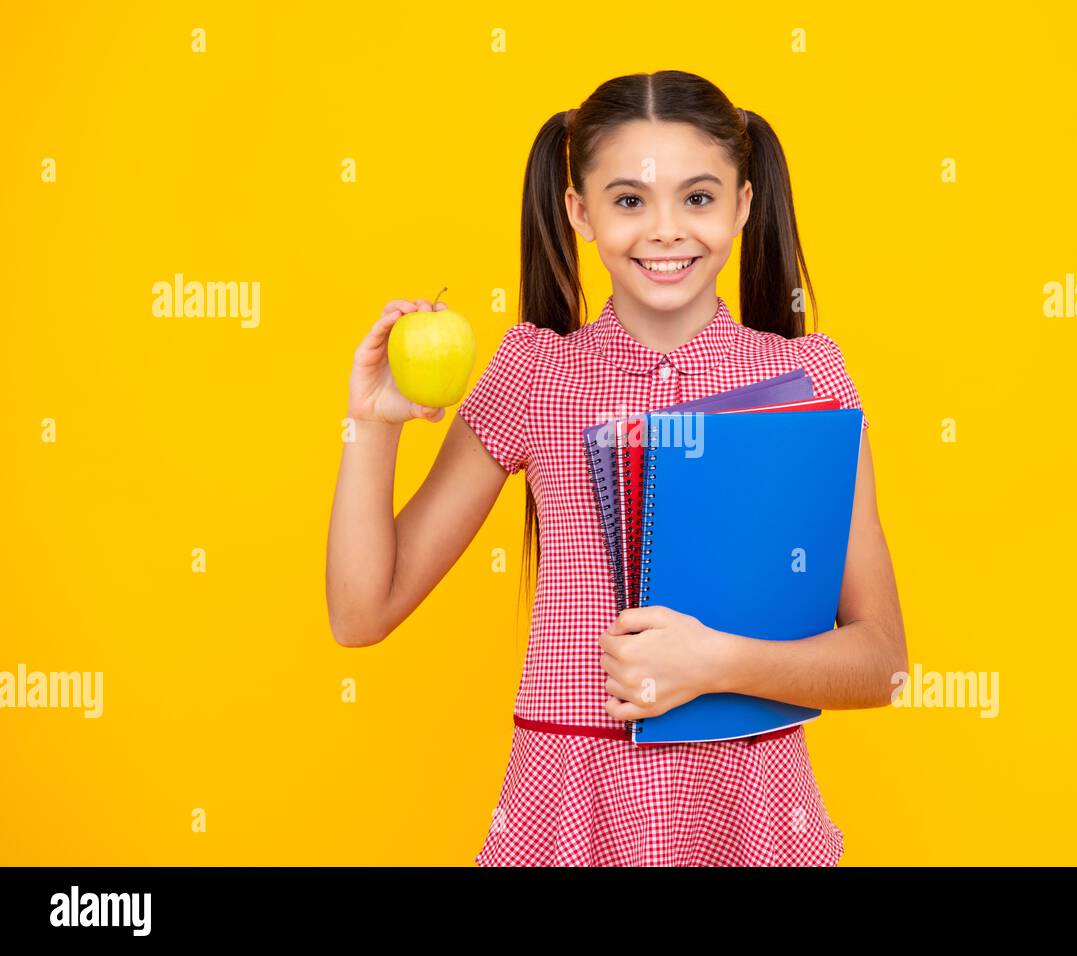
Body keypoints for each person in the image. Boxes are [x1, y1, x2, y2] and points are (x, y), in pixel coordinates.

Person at [326, 69, 907, 866]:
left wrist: (716, 663)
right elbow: (362, 615)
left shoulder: (808, 382)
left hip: (751, 808)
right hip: (569, 810)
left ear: (742, 205)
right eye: (629, 200)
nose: (665, 230)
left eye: (698, 198)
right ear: (580, 213)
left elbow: (882, 662)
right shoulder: (534, 374)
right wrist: (373, 425)